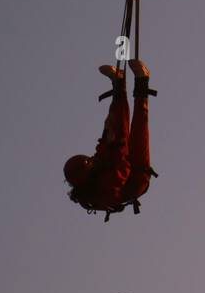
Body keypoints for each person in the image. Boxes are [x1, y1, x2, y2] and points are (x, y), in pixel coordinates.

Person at [64, 59, 156, 219]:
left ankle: (119, 84)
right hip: (135, 179)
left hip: (117, 168)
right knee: (138, 129)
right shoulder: (104, 189)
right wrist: (116, 144)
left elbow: (101, 155)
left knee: (113, 128)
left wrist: (108, 138)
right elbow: (122, 168)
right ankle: (142, 79)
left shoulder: (92, 172)